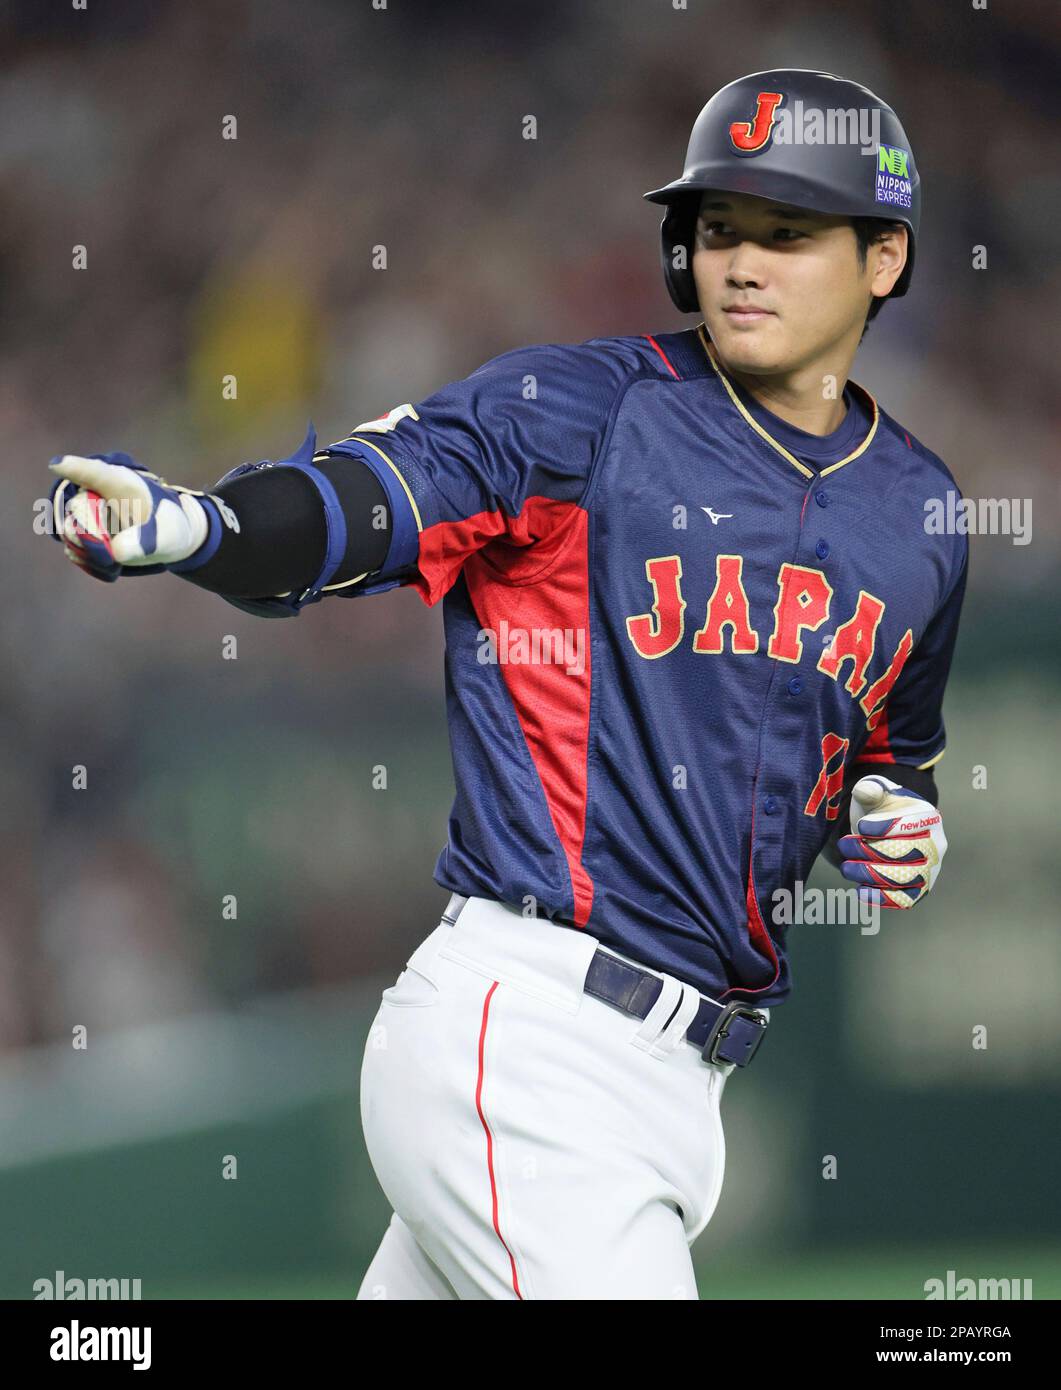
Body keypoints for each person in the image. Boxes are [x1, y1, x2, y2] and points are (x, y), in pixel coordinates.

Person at [46, 69, 966, 1300]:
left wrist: (891, 815)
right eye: (717, 228)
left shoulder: (921, 514)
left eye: (787, 233)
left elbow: (885, 761)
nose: (740, 261)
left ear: (883, 259)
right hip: (531, 1037)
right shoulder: (582, 411)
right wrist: (201, 527)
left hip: (676, 1089)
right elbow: (364, 503)